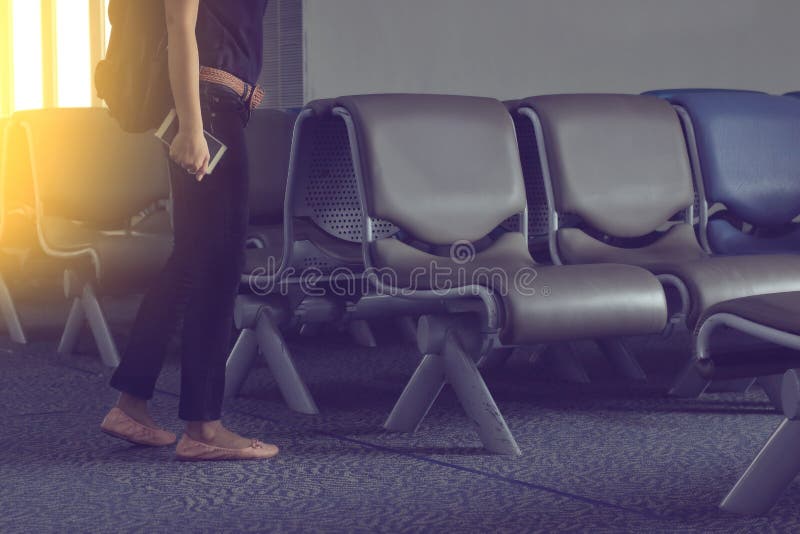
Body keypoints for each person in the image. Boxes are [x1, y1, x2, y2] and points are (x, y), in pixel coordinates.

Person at [100, 0, 277, 461]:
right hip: (207, 109)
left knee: (191, 259)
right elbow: (179, 26)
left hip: (216, 106)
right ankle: (204, 427)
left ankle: (131, 405)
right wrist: (193, 127)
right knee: (219, 266)